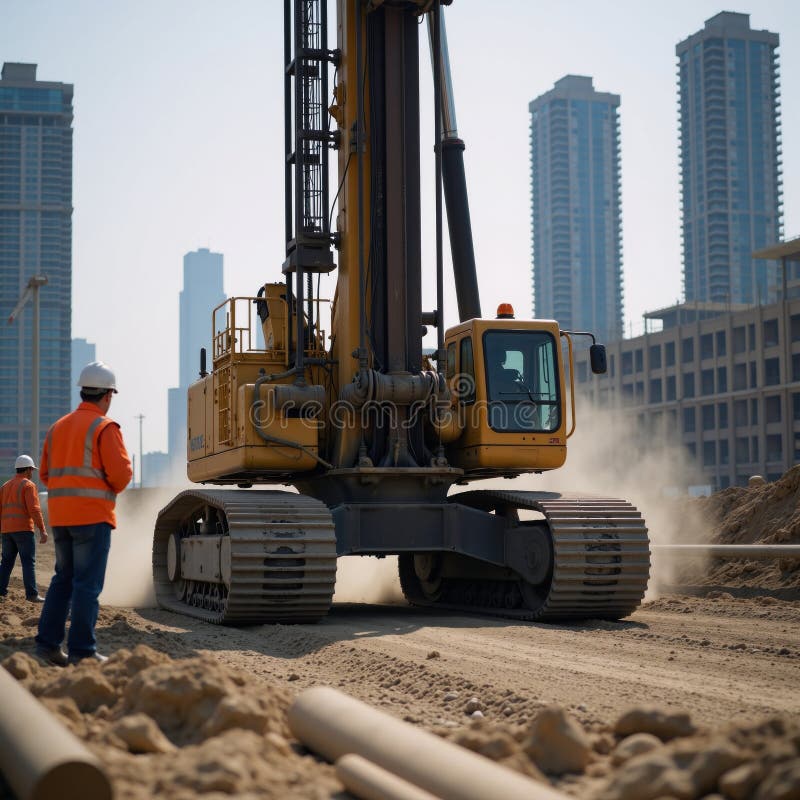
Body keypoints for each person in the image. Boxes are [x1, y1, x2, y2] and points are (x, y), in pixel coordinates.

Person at [34, 361, 132, 667]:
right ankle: (82, 651)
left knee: (63, 580)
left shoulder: (57, 427)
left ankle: (47, 646)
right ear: (107, 395)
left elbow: (47, 474)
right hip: (92, 517)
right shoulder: (105, 427)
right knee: (87, 586)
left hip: (61, 518)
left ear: (83, 392)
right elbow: (120, 475)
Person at [0, 454, 48, 602]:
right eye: (31, 470)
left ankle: (0, 590)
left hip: (7, 530)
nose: (32, 473)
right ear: (27, 470)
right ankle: (32, 594)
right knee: (28, 562)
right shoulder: (28, 485)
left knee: (6, 562)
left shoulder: (5, 486)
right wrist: (42, 529)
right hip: (23, 530)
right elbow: (34, 509)